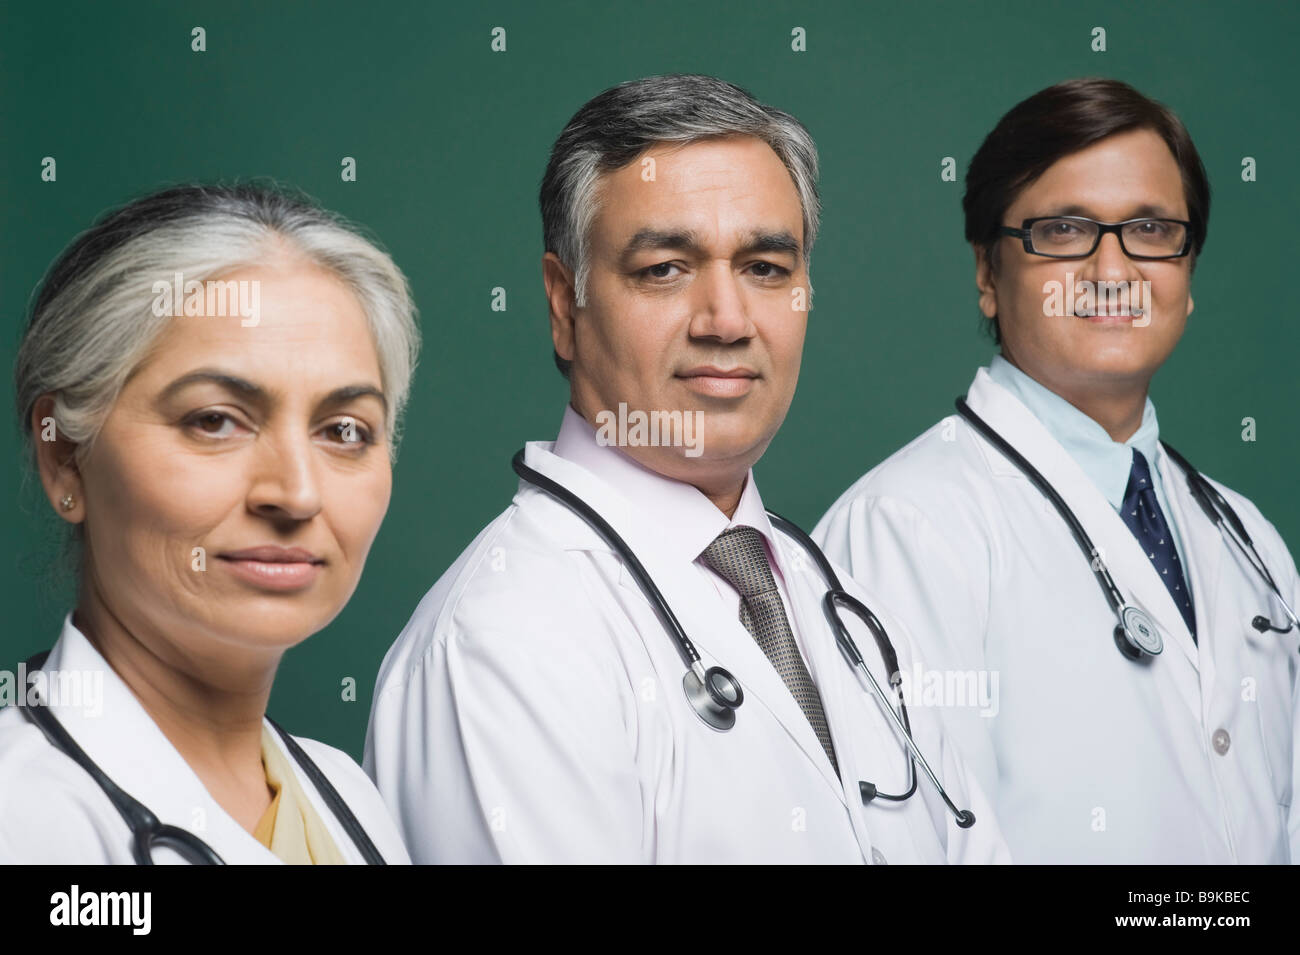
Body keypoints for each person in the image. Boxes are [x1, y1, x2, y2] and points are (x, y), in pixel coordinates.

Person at [365, 74, 1009, 864]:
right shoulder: (502, 642)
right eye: (665, 268)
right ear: (565, 304)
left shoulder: (861, 627)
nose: (727, 321)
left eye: (766, 268)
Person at [814, 78, 1299, 863]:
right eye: (1064, 230)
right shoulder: (906, 530)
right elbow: (920, 849)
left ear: (1188, 273)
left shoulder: (1250, 542)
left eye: (1150, 228)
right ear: (986, 271)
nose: (1112, 269)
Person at [1, 183, 419, 864]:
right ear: (65, 458)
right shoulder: (22, 820)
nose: (296, 492)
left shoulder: (347, 800)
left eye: (344, 429)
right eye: (215, 420)